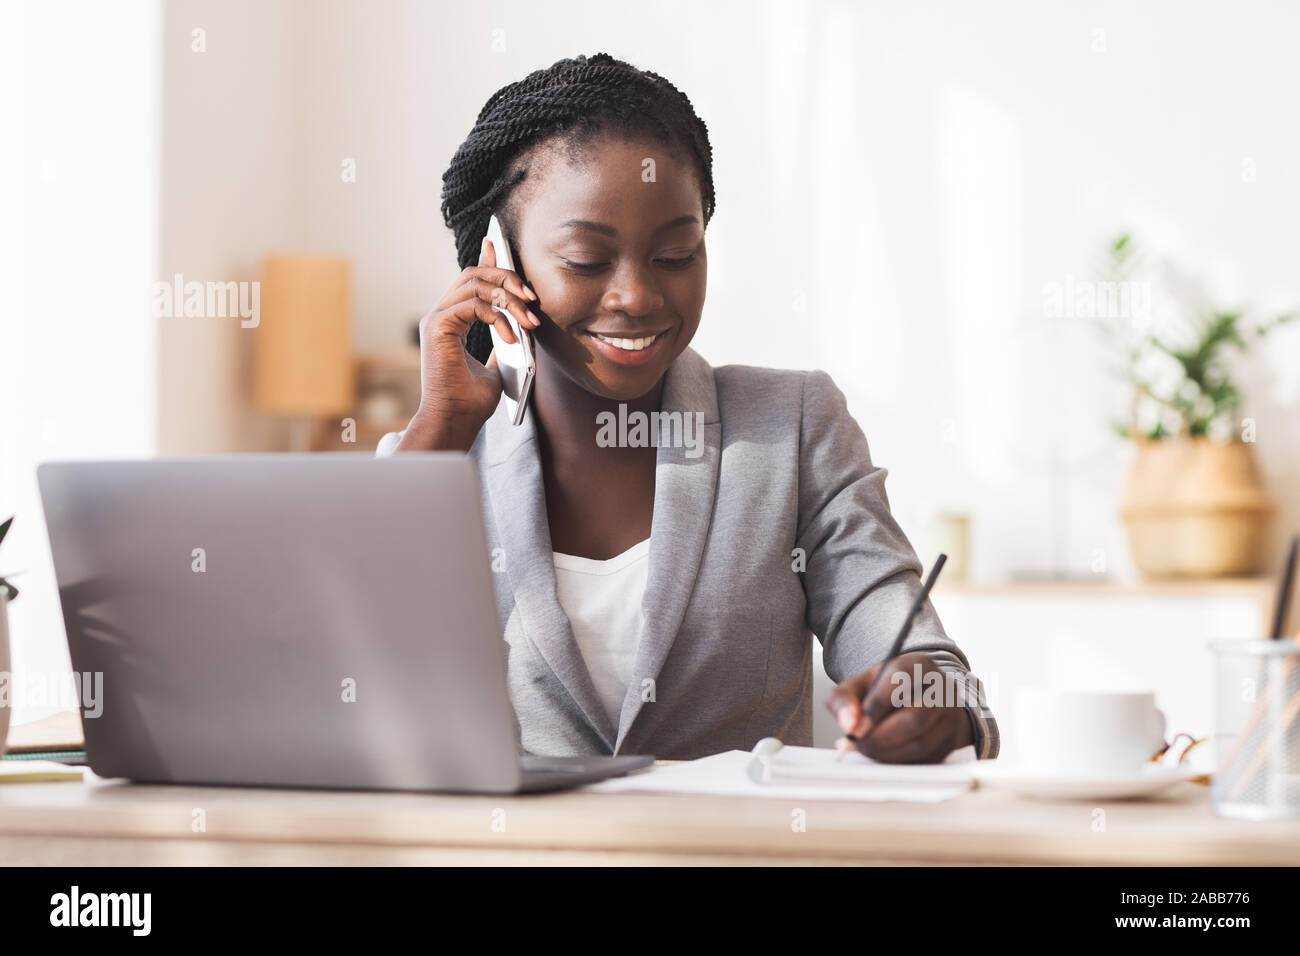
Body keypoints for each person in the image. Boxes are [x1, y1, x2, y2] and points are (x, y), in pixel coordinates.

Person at [378, 52, 998, 762]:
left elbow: (922, 659)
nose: (637, 295)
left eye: (675, 254)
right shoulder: (439, 456)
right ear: (498, 261)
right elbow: (337, 666)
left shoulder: (791, 427)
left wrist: (928, 697)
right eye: (586, 259)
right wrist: (441, 428)